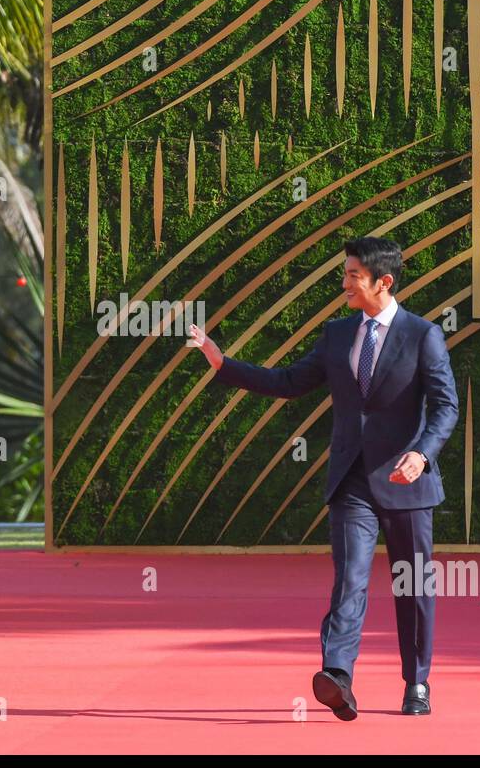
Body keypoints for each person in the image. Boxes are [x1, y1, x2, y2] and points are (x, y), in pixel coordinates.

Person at [188, 236, 459, 719]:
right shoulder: (338, 334)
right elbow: (289, 382)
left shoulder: (423, 335)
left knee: (411, 585)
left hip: (406, 481)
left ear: (384, 281)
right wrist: (222, 363)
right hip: (352, 479)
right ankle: (337, 675)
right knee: (349, 579)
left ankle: (417, 683)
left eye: (354, 275)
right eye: (347, 274)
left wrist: (421, 453)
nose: (345, 284)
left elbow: (445, 407)